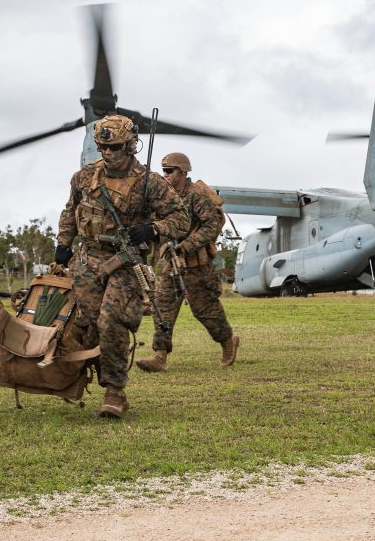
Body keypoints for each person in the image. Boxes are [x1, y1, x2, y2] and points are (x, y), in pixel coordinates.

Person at [55, 115, 189, 419]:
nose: (109, 154)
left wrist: (153, 229)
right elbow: (71, 210)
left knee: (112, 320)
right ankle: (99, 379)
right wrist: (63, 244)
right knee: (89, 325)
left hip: (126, 263)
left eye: (115, 147)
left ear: (131, 145)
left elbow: (181, 219)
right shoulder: (83, 177)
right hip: (88, 262)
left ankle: (114, 392)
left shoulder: (149, 183)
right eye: (104, 148)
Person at [135, 152, 238, 373]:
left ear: (182, 171)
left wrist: (186, 245)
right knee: (162, 309)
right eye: (163, 171)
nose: (166, 175)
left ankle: (228, 341)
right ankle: (160, 356)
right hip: (170, 265)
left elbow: (211, 225)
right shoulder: (163, 197)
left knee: (206, 311)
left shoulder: (196, 195)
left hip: (196, 266)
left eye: (170, 171)